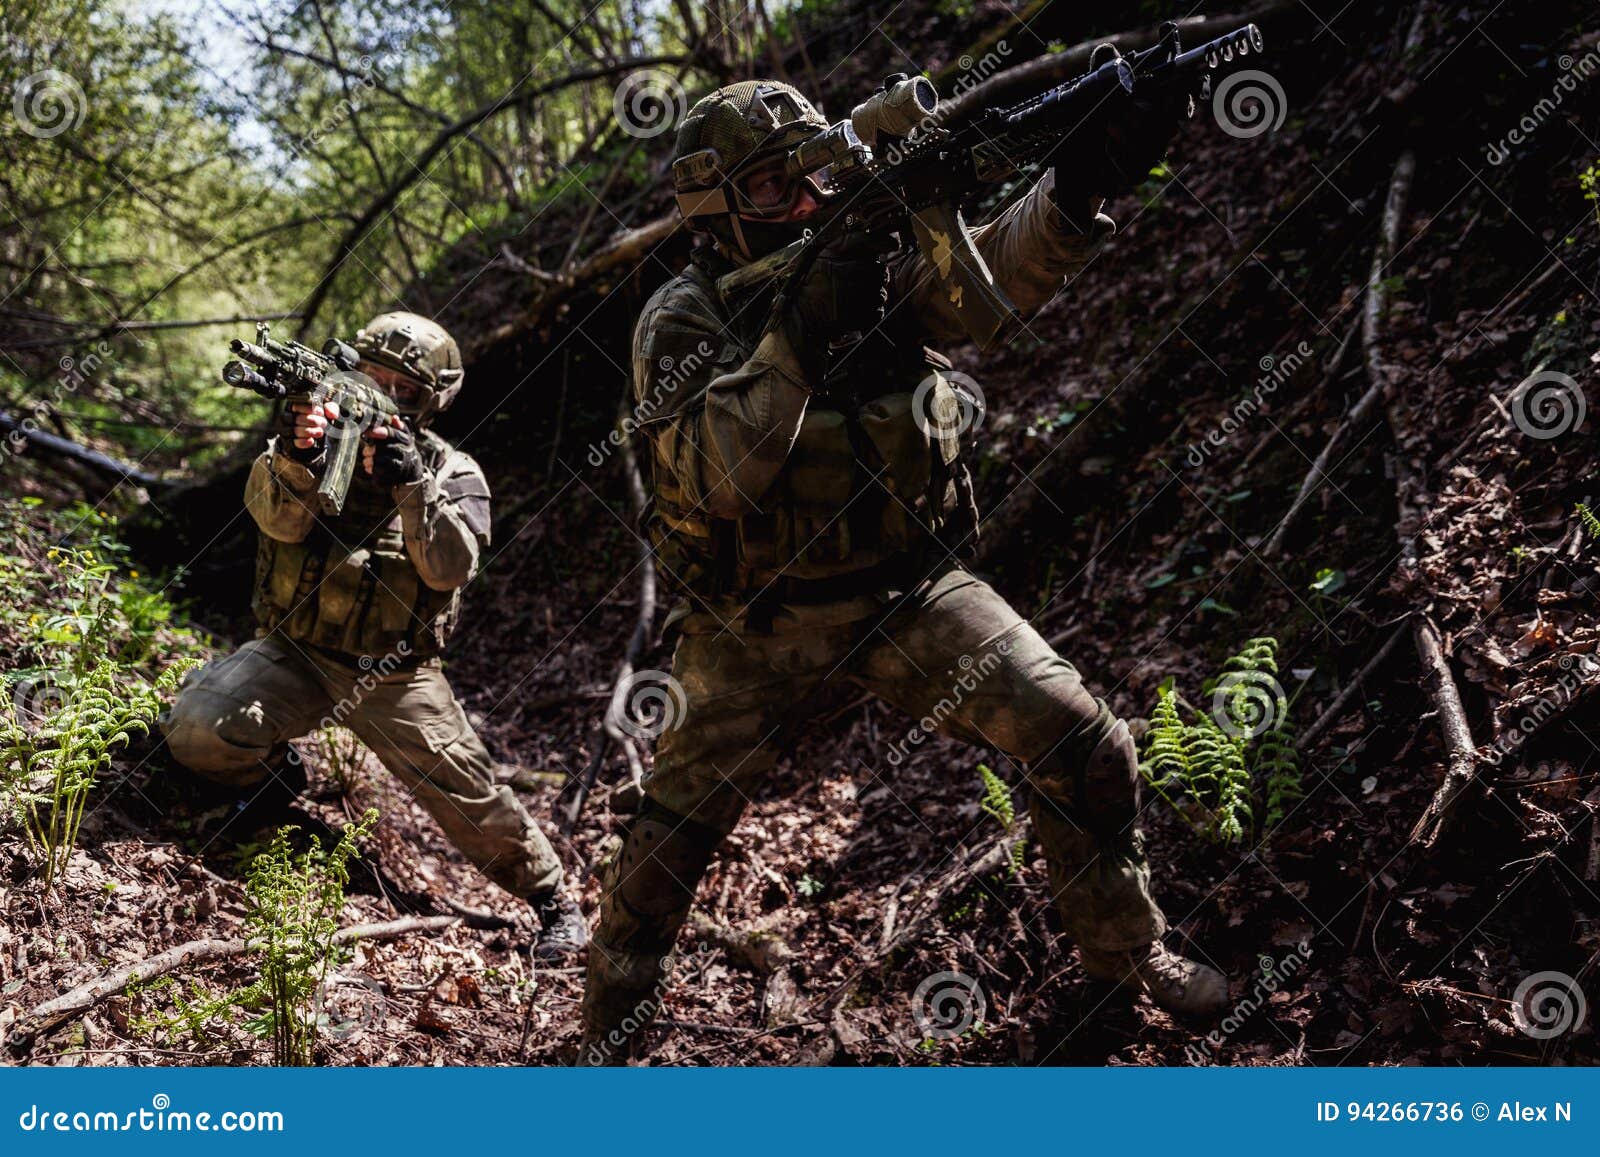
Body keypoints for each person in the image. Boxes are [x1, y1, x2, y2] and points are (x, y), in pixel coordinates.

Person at [581, 76, 1227, 1062]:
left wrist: (1081, 183)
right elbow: (720, 477)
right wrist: (802, 322)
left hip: (903, 592)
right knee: (666, 842)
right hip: (753, 623)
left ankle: (1122, 958)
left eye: (813, 173)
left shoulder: (866, 252)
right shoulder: (683, 316)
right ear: (713, 209)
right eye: (769, 188)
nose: (802, 200)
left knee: (1083, 736)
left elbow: (981, 291)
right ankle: (606, 1032)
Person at [162, 312, 586, 960]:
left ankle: (554, 899)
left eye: (404, 388)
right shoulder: (308, 438)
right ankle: (273, 780)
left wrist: (412, 484)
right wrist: (297, 459)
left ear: (433, 401)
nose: (384, 392)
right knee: (195, 725)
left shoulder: (454, 472)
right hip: (296, 652)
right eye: (372, 376)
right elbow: (274, 523)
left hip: (393, 675)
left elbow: (450, 565)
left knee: (470, 795)